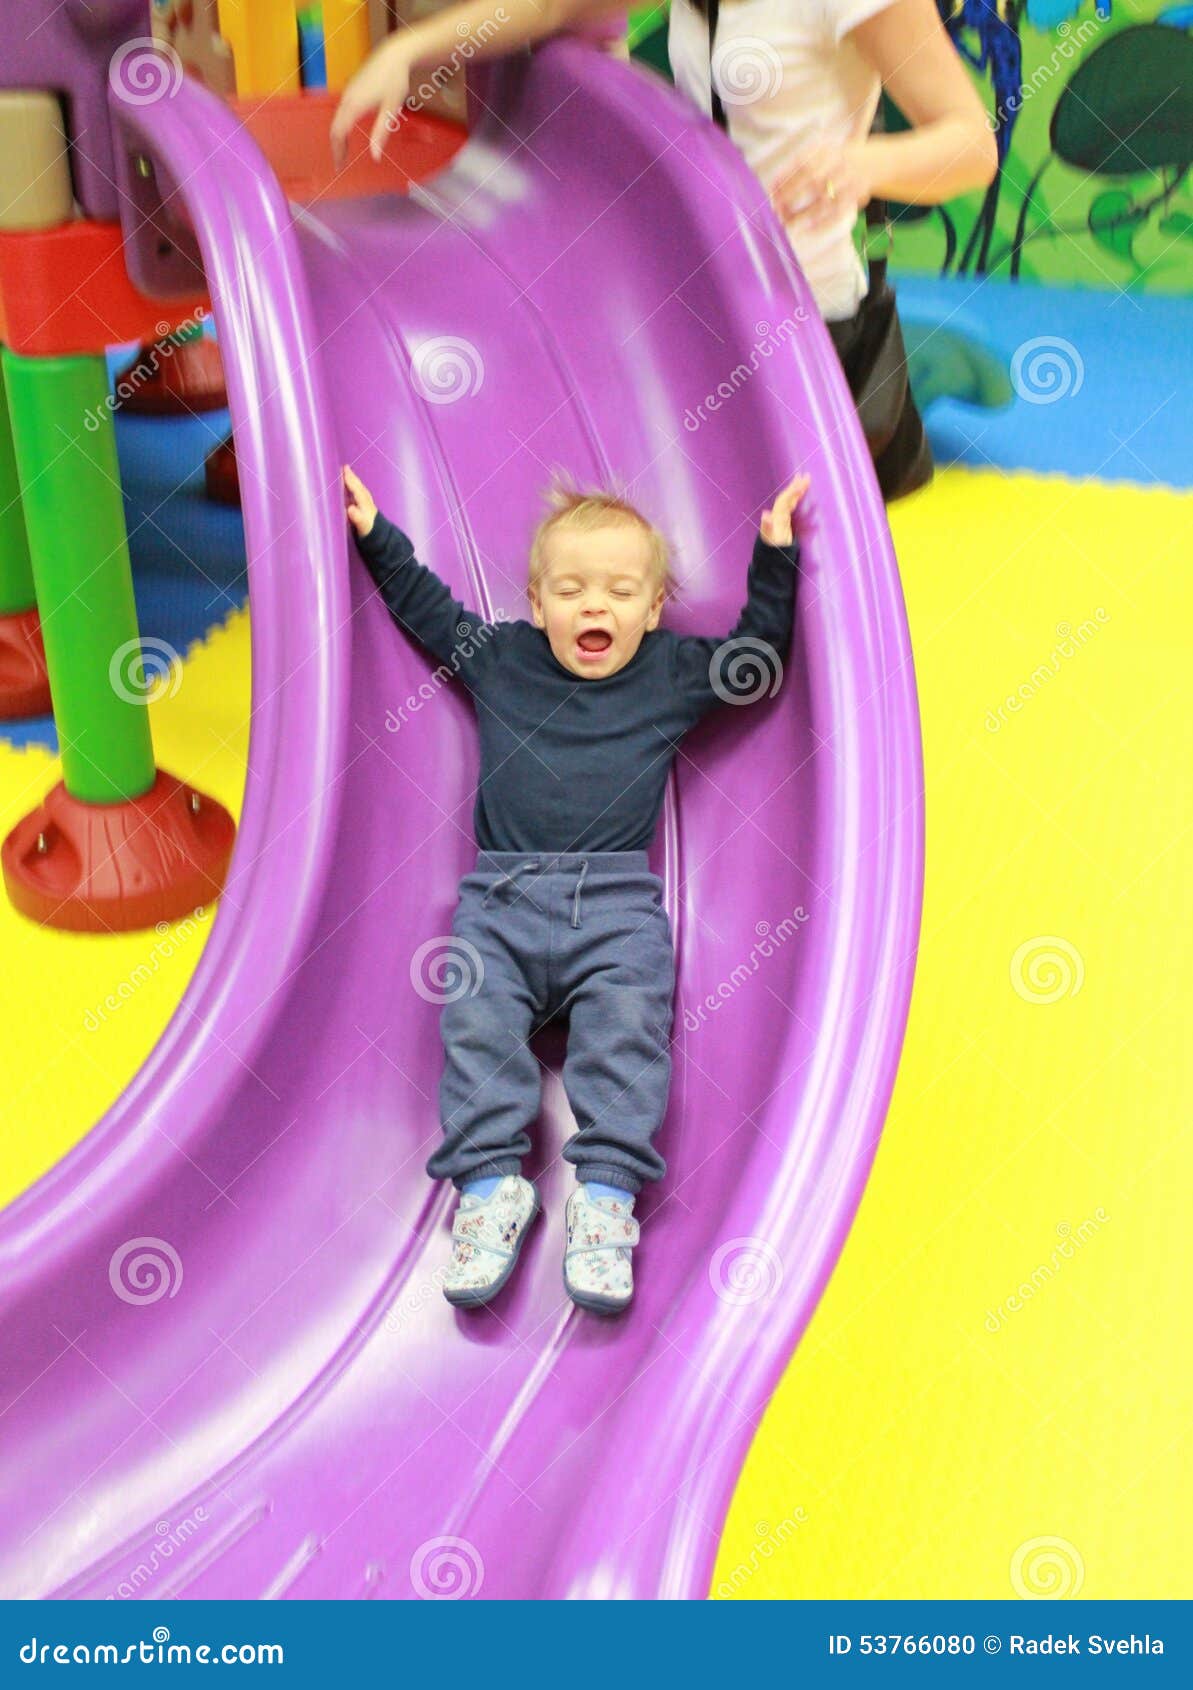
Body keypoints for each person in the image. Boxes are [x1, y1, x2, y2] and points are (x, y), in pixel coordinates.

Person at [342, 463, 809, 1313]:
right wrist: (375, 534)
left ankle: (604, 1197)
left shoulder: (670, 672)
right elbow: (427, 610)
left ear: (653, 610)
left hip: (617, 910)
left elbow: (756, 662)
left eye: (620, 592)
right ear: (536, 602)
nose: (595, 606)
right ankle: (491, 1187)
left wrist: (774, 556)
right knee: (475, 1022)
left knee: (628, 1030)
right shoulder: (503, 660)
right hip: (500, 902)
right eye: (571, 590)